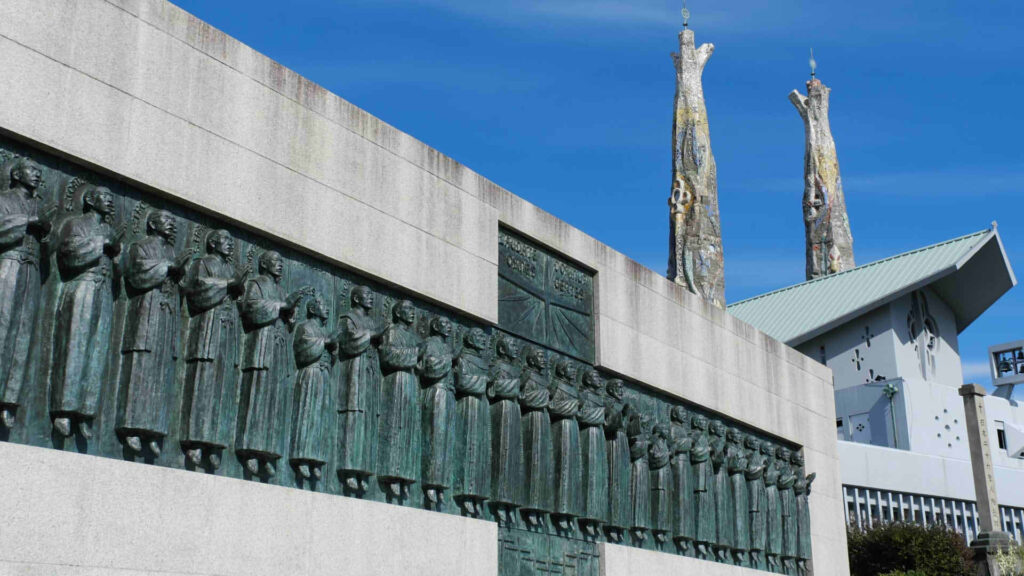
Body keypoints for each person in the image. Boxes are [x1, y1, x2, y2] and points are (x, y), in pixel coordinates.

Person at [51, 185, 121, 439]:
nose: (110, 203)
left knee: (97, 350)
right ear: (91, 201)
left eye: (112, 198)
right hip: (81, 287)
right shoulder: (76, 224)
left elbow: (119, 273)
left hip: (103, 291)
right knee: (73, 346)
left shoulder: (110, 230)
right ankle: (64, 410)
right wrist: (100, 244)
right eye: (105, 197)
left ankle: (85, 411)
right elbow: (68, 255)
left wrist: (116, 257)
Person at [118, 209, 189, 455]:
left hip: (167, 315)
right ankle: (133, 427)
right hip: (146, 313)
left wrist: (180, 273)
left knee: (162, 371)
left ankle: (153, 429)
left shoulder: (171, 251)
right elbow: (135, 274)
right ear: (152, 223)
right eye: (167, 221)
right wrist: (165, 267)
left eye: (173, 221)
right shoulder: (141, 247)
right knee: (142, 366)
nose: (172, 225)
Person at [181, 229, 248, 470]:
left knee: (224, 384)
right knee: (204, 381)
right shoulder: (203, 264)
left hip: (228, 332)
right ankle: (196, 441)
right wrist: (227, 285)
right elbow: (195, 289)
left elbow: (241, 305)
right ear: (212, 243)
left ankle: (216, 442)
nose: (230, 245)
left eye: (232, 241)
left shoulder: (231, 270)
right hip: (208, 328)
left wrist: (239, 293)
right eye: (226, 241)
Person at [237, 250, 307, 477]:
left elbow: (286, 323)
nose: (280, 266)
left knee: (275, 401)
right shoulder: (256, 284)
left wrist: (290, 315)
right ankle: (250, 449)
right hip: (261, 347)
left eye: (282, 262)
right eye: (276, 262)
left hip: (278, 350)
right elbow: (251, 309)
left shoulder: (279, 290)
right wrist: (280, 307)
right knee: (257, 397)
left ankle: (268, 451)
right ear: (264, 264)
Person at [0, 158, 51, 428]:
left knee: (23, 335)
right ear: (17, 174)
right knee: (3, 327)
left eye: (40, 172)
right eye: (33, 170)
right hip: (8, 266)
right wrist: (26, 221)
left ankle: (9, 401)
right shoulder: (4, 200)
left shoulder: (38, 206)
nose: (37, 176)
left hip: (31, 270)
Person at [336, 285, 385, 492]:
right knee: (354, 417)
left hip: (370, 374)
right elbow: (347, 342)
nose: (371, 299)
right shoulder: (348, 318)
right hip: (355, 372)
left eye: (372, 295)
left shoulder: (371, 322)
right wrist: (371, 335)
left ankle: (363, 469)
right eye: (366, 295)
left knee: (368, 420)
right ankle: (349, 468)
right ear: (356, 299)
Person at [377, 300, 421, 499]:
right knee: (396, 426)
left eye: (413, 309)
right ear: (398, 313)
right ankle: (393, 474)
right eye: (408, 309)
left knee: (410, 430)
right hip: (396, 383)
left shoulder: (413, 337)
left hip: (410, 383)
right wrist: (414, 355)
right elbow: (388, 356)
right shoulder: (392, 332)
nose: (412, 313)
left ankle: (406, 476)